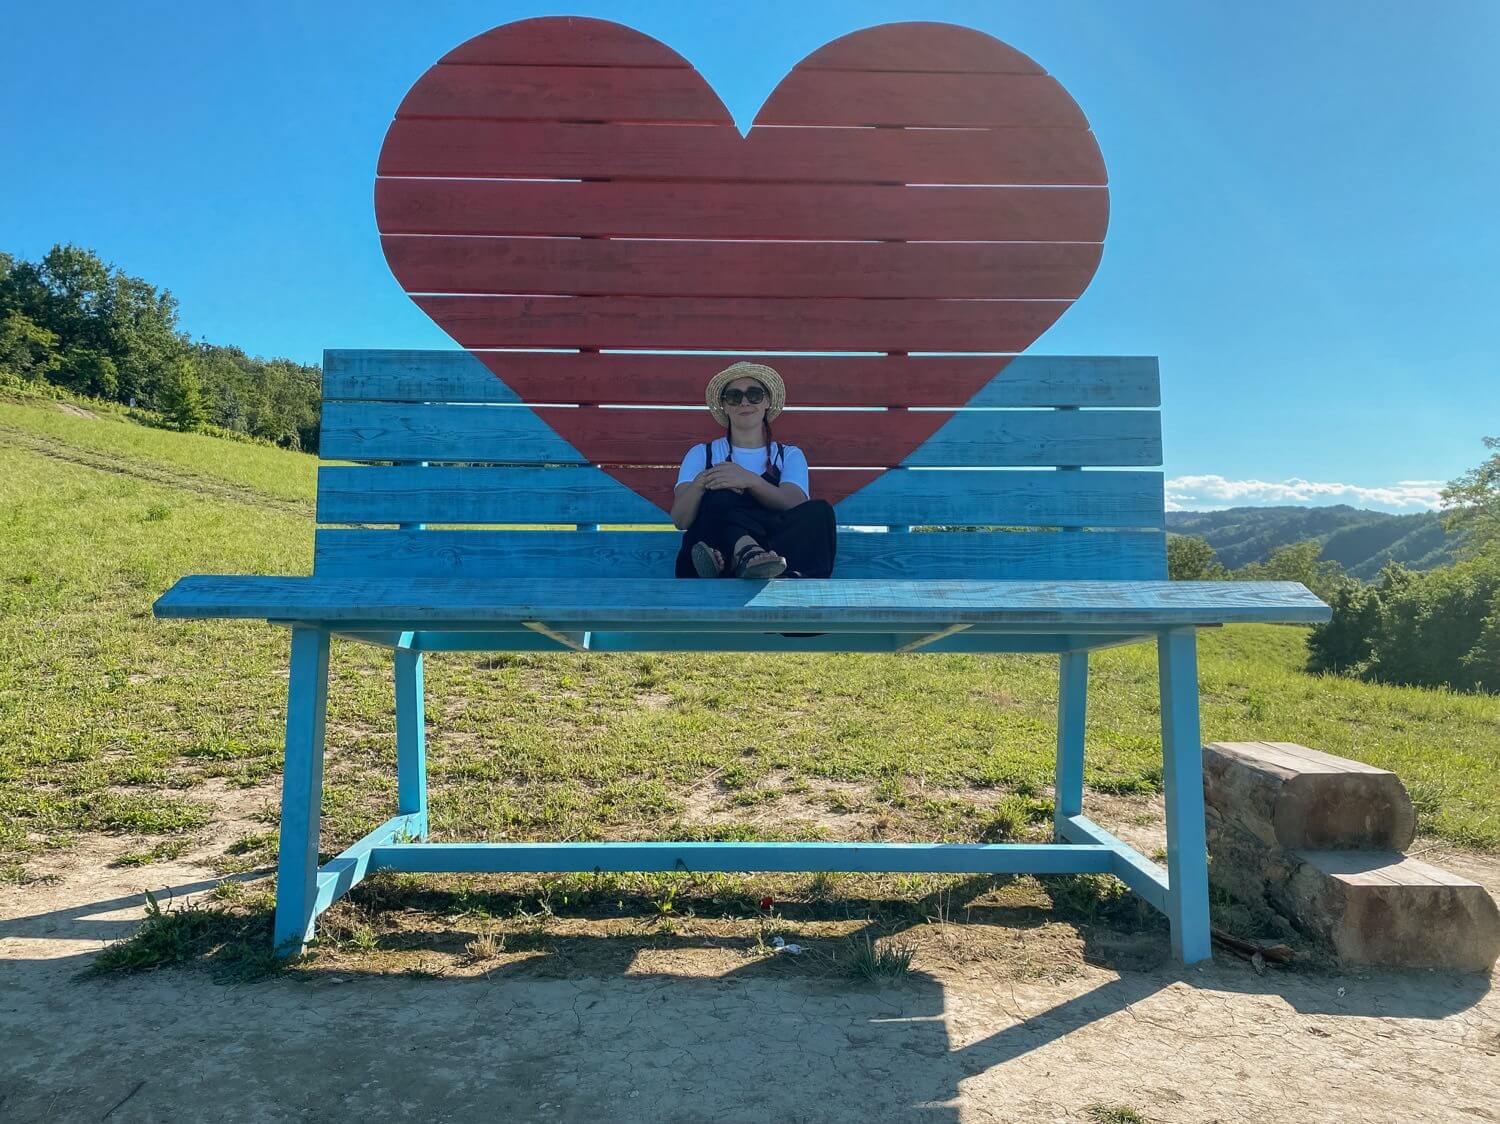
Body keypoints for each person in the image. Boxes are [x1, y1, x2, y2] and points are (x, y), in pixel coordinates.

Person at [671, 362, 836, 579]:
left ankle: (769, 567)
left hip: (774, 552)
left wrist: (749, 480)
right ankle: (740, 556)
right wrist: (702, 482)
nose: (745, 402)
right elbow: (680, 520)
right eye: (734, 397)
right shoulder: (703, 454)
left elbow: (794, 503)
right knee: (719, 494)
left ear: (767, 401)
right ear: (725, 406)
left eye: (754, 394)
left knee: (820, 512)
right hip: (715, 551)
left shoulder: (789, 455)